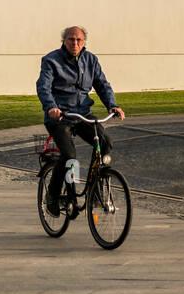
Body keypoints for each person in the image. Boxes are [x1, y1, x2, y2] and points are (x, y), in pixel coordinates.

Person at [36, 26, 126, 216]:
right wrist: (51, 107)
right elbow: (43, 87)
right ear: (64, 41)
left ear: (84, 42)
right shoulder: (51, 60)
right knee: (69, 156)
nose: (75, 43)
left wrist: (112, 105)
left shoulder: (90, 60)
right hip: (60, 116)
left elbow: (102, 84)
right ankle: (52, 195)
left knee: (105, 142)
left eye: (79, 40)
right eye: (71, 40)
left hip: (82, 114)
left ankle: (94, 191)